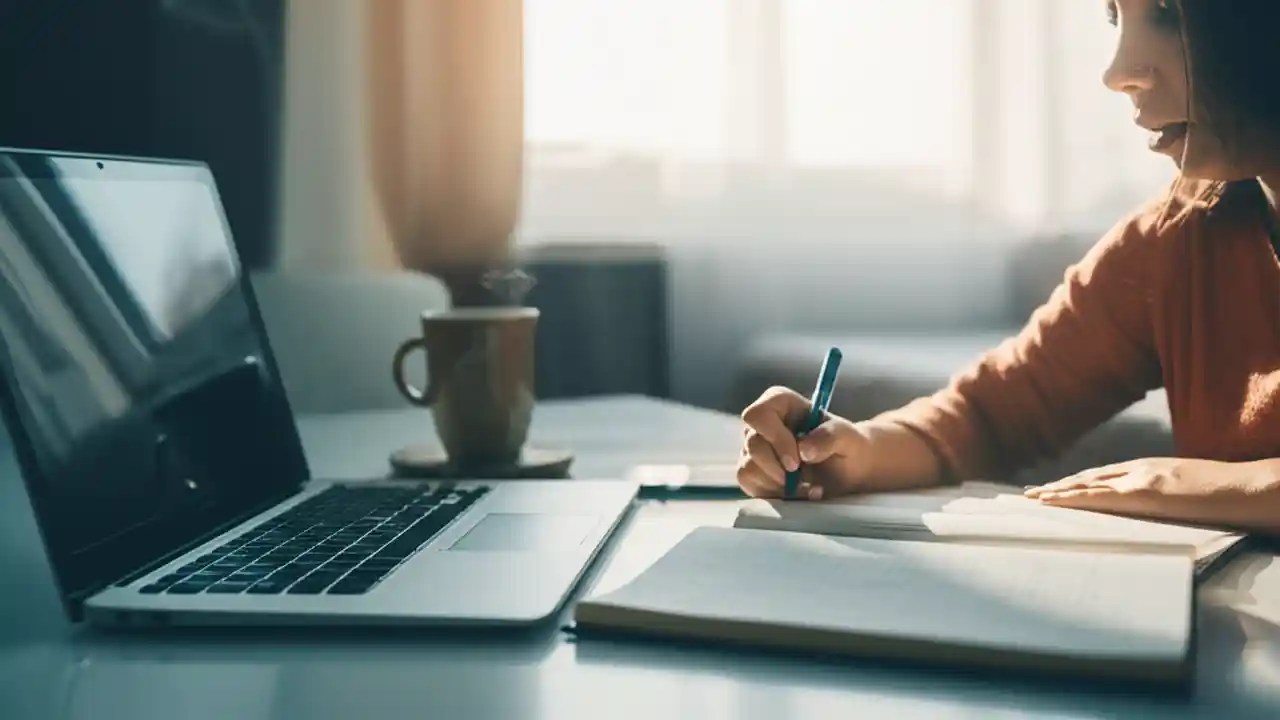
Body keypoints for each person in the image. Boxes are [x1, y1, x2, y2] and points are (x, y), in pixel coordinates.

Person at [737, 0, 1280, 535]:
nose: (1118, 74)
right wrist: (858, 451)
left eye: (1168, 14)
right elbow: (990, 416)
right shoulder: (1179, 236)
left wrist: (1195, 485)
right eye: (1116, 16)